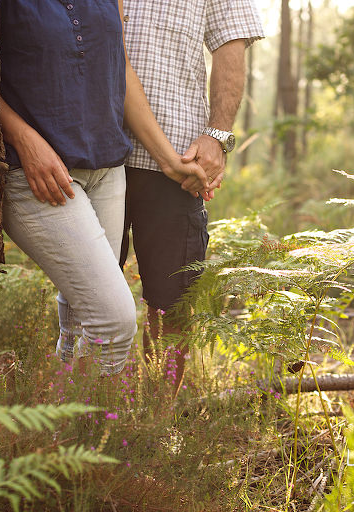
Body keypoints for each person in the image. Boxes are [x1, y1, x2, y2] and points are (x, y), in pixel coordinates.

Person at [0, 0, 211, 377]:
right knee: (113, 323)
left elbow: (120, 67)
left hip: (109, 169)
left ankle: (63, 415)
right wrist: (23, 138)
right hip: (41, 174)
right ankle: (84, 429)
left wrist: (167, 160)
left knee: (83, 317)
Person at [120, 0, 264, 390]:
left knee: (173, 303)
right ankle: (87, 419)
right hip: (97, 153)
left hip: (179, 162)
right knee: (86, 297)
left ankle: (155, 421)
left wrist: (217, 135)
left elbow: (231, 43)